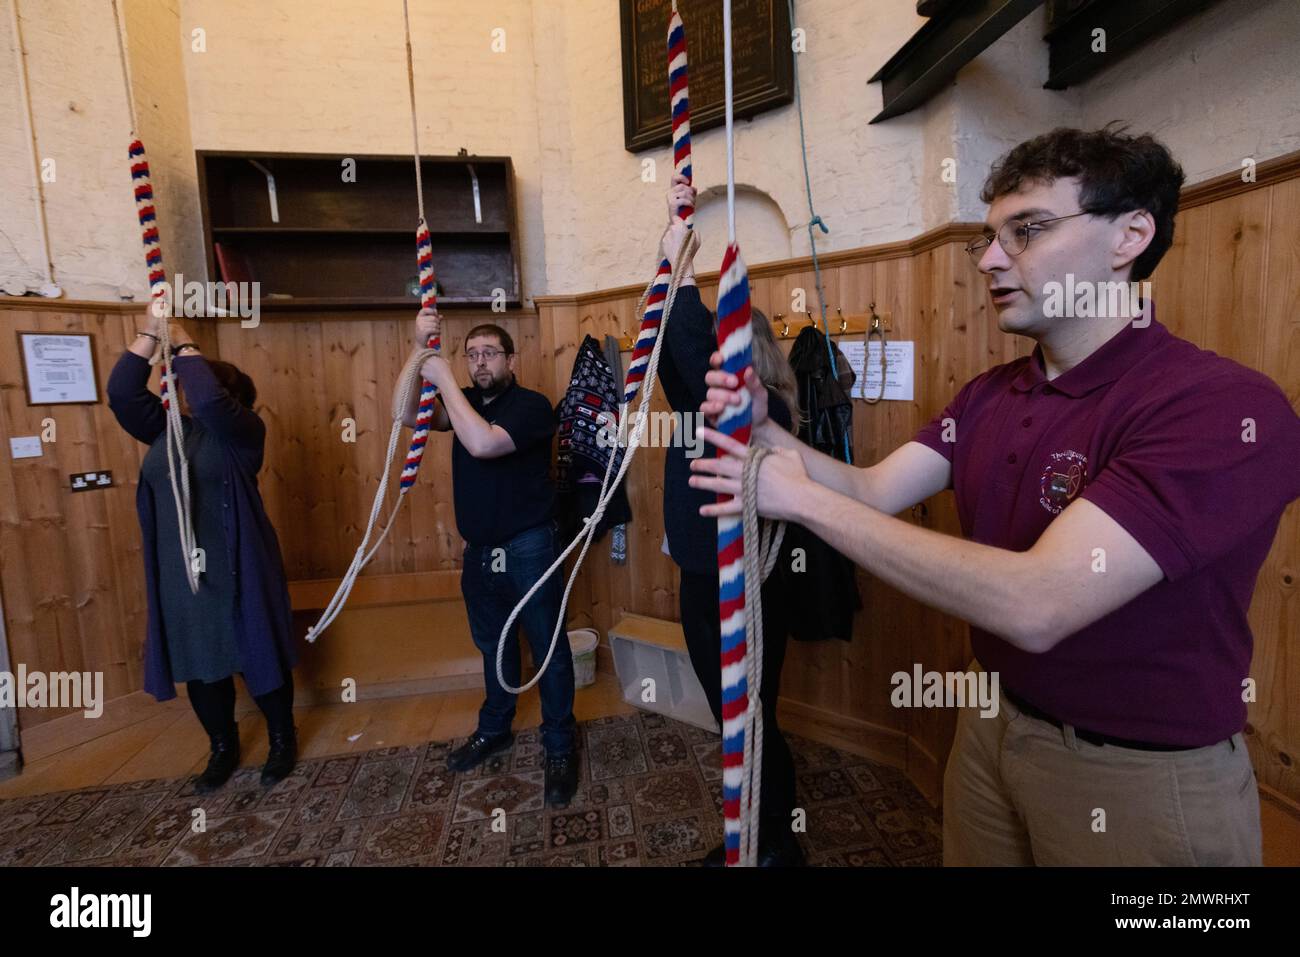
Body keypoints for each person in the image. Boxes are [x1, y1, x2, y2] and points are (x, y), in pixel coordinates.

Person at [691, 126, 1300, 866]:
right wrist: (770, 434)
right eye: (989, 237)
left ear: (1130, 235)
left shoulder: (1218, 406)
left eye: (1029, 230)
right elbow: (875, 489)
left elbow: (1037, 603)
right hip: (991, 723)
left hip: (1143, 771)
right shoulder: (988, 395)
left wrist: (805, 502)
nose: (989, 259)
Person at [657, 175, 805, 866]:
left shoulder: (761, 406)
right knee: (736, 714)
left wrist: (680, 267)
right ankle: (759, 833)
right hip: (701, 569)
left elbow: (691, 348)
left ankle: (773, 842)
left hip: (741, 575)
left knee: (748, 716)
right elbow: (677, 359)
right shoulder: (706, 397)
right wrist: (672, 259)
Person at [107, 309, 298, 793]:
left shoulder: (241, 432)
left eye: (184, 380)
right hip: (182, 571)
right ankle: (222, 747)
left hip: (238, 565)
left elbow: (210, 400)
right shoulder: (165, 430)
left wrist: (184, 340)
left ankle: (281, 740)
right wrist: (150, 335)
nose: (177, 388)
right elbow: (123, 394)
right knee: (199, 661)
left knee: (257, 649)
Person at [403, 318, 578, 806]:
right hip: (480, 552)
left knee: (548, 649)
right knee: (492, 647)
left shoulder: (532, 407)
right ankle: (495, 728)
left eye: (490, 353)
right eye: (472, 354)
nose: (479, 362)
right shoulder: (458, 400)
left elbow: (482, 442)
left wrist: (441, 381)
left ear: (510, 360)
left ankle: (560, 746)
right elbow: (403, 415)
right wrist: (419, 349)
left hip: (530, 546)